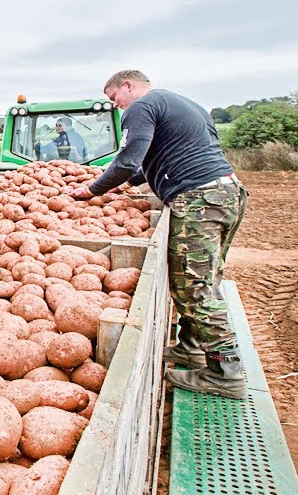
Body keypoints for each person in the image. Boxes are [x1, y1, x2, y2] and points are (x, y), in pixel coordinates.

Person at [65, 70, 249, 399]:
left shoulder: (141, 107)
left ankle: (226, 372)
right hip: (226, 193)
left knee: (194, 289)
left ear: (128, 85)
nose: (117, 107)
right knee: (204, 280)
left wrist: (92, 189)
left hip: (199, 201)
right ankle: (191, 349)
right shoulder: (183, 103)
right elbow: (151, 161)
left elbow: (128, 160)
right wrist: (128, 183)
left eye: (113, 99)